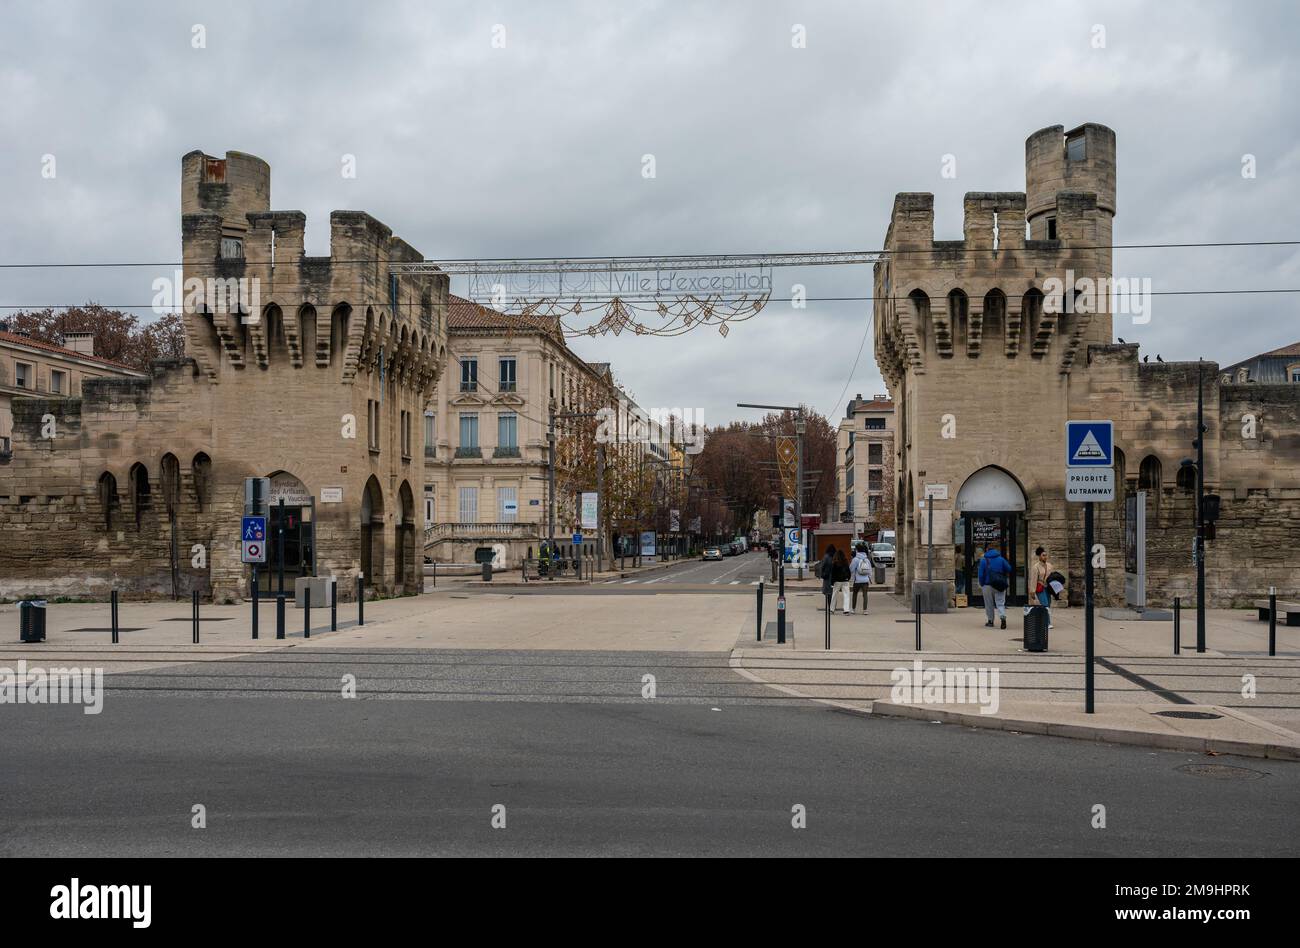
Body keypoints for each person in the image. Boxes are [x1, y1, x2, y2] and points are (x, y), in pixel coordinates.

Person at [977, 546, 1012, 629]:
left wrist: (982, 584)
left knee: (989, 603)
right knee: (1000, 602)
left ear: (987, 551)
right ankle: (1002, 617)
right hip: (999, 584)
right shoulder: (1001, 559)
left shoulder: (983, 560)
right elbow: (1009, 569)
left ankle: (990, 621)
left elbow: (981, 574)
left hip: (987, 585)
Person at [1030, 546, 1055, 629]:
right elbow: (1033, 580)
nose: (1045, 557)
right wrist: (1032, 591)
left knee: (1048, 603)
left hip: (1048, 588)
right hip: (1040, 587)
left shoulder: (1050, 566)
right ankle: (1047, 623)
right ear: (1039, 556)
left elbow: (1052, 577)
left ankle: (1043, 620)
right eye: (1043, 555)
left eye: (1046, 555)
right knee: (1045, 604)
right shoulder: (1035, 567)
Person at [849, 542, 873, 615]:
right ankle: (865, 610)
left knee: (855, 594)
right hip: (865, 580)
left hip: (857, 580)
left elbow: (851, 569)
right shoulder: (867, 559)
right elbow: (870, 570)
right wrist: (869, 578)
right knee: (865, 595)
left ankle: (853, 609)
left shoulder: (855, 559)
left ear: (857, 550)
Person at [832, 548, 852, 615]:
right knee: (846, 595)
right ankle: (846, 610)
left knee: (834, 595)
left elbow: (833, 573)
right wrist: (848, 578)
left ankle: (832, 609)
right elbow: (849, 572)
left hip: (837, 581)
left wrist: (832, 582)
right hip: (845, 580)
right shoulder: (845, 561)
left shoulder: (835, 562)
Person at [820, 545, 836, 609]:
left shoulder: (826, 556)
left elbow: (822, 566)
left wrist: (822, 574)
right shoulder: (835, 556)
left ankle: (830, 607)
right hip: (834, 576)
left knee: (828, 592)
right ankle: (833, 606)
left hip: (827, 576)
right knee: (833, 592)